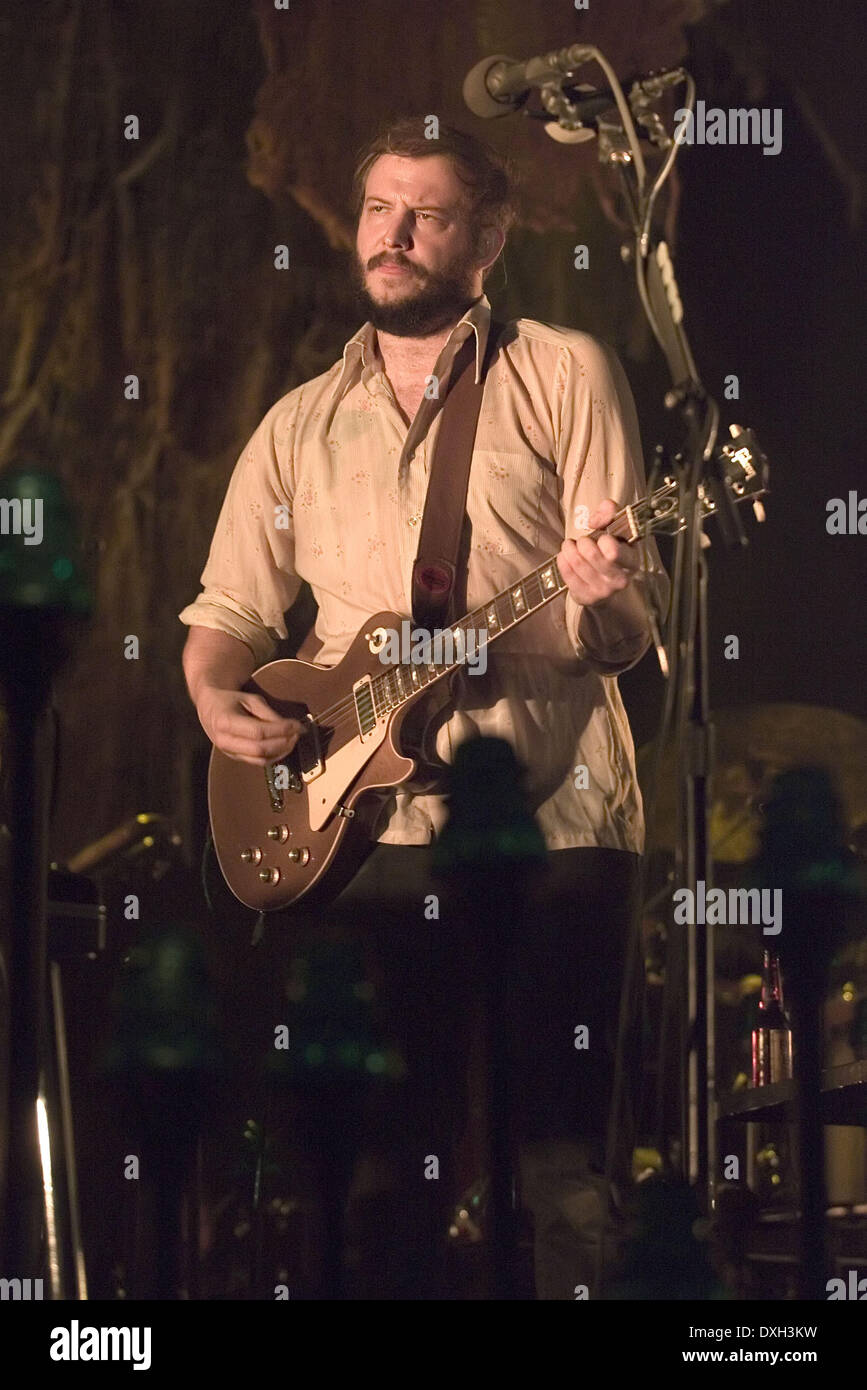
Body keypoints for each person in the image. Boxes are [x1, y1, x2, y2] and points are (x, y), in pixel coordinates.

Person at [179, 117, 670, 1299]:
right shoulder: (301, 421)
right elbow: (228, 615)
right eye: (378, 211)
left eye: (428, 215)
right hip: (364, 840)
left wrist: (602, 598)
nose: (392, 238)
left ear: (488, 238)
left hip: (554, 825)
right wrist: (210, 697)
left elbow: (622, 629)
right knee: (382, 1178)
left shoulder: (564, 371)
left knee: (561, 1173)